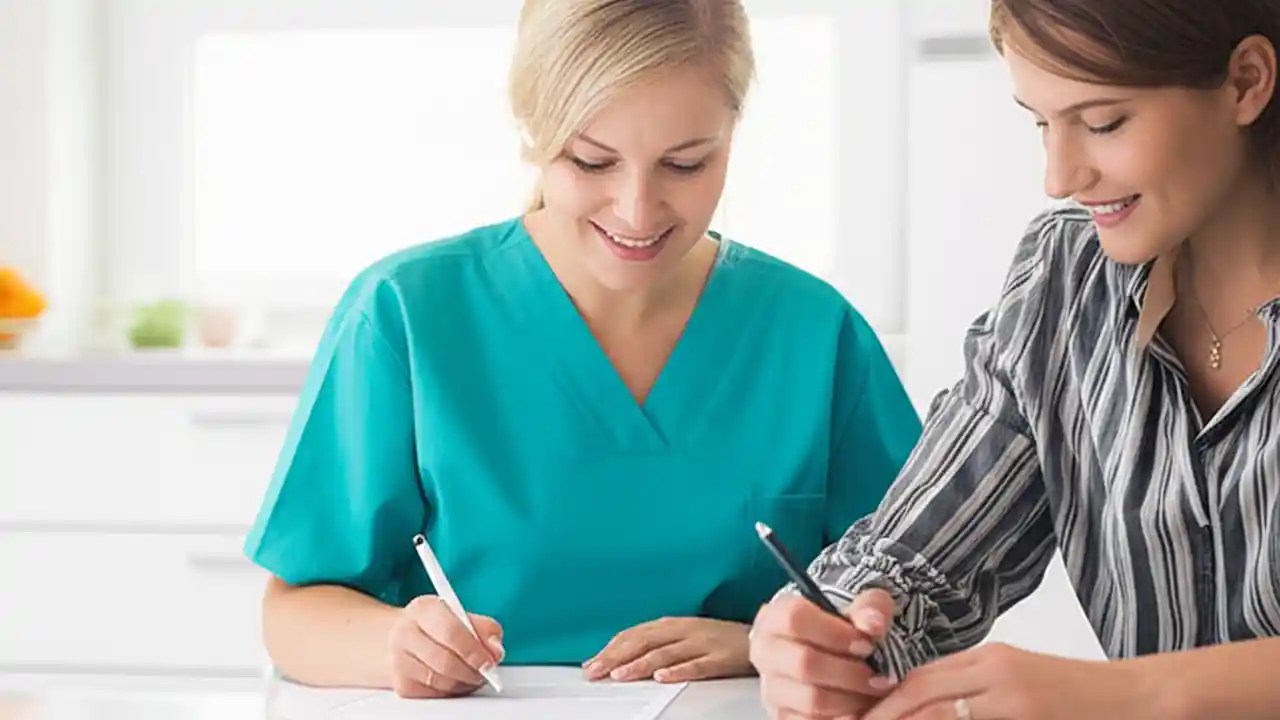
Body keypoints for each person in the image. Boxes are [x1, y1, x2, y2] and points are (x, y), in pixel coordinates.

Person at [243, 0, 921, 700]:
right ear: (533, 133)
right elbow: (294, 610)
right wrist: (394, 645)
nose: (637, 210)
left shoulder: (813, 332)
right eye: (592, 161)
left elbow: (917, 605)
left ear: (732, 134)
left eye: (685, 164)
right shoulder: (404, 313)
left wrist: (767, 641)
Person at [749, 0, 1280, 718]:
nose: (1059, 177)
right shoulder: (1064, 282)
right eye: (1040, 123)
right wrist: (830, 633)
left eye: (1102, 123)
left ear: (1246, 81)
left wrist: (1132, 696)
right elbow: (917, 558)